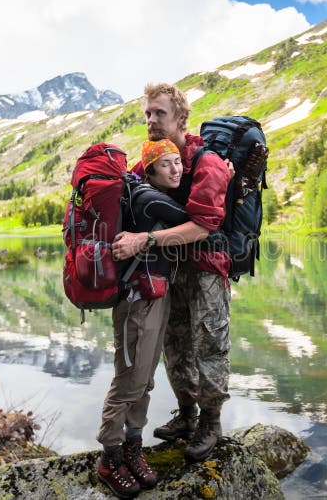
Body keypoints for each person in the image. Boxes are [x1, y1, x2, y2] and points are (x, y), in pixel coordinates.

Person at [111, 82, 231, 463]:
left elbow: (203, 226)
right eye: (147, 113)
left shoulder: (207, 163)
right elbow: (125, 191)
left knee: (209, 345)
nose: (151, 120)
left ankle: (210, 423)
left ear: (180, 117)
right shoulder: (150, 159)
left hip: (206, 269)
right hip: (171, 271)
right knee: (174, 346)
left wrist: (144, 240)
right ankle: (187, 414)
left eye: (159, 113)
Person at [96, 139, 188, 498]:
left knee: (145, 378)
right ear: (149, 170)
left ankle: (134, 448)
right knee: (130, 379)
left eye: (178, 162)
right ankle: (110, 455)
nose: (176, 169)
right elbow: (198, 221)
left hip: (152, 296)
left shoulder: (148, 196)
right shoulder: (148, 199)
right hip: (137, 303)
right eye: (166, 164)